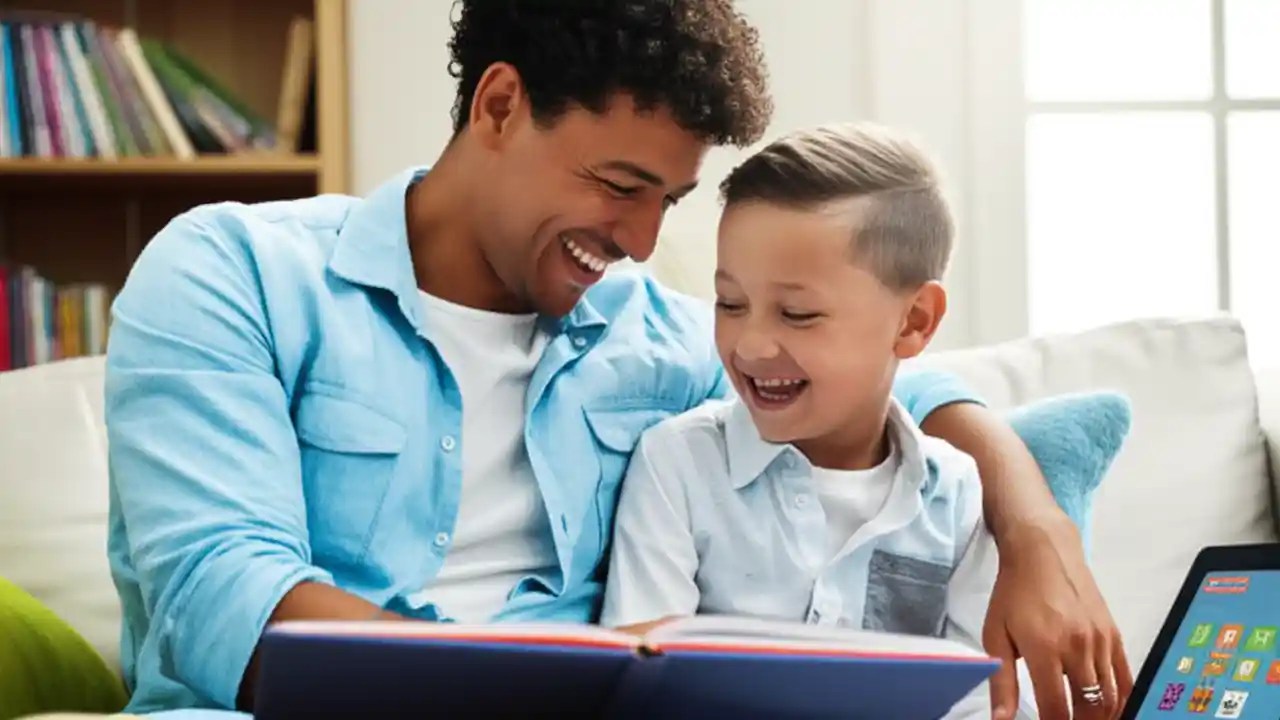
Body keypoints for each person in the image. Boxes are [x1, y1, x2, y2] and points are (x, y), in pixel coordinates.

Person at [102, 1, 1128, 718]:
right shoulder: (231, 272)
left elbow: (892, 387)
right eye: (618, 184)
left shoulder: (648, 330)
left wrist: (1037, 534)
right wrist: (519, 690)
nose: (639, 241)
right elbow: (219, 594)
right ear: (498, 105)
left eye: (667, 203)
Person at [600, 123, 1035, 718]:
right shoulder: (679, 466)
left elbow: (985, 699)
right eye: (730, 303)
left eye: (797, 314)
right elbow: (642, 681)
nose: (750, 345)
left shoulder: (956, 494)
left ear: (913, 322)